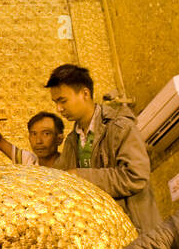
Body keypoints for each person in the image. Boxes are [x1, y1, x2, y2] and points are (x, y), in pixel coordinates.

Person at [46, 64, 163, 233]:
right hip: (105, 234)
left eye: (63, 100)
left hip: (137, 232)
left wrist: (81, 176)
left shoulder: (119, 126)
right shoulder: (72, 141)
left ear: (85, 93)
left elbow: (135, 176)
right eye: (55, 102)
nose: (59, 109)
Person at [0, 108, 64, 167]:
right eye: (34, 134)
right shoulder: (29, 161)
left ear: (59, 139)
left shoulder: (69, 165)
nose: (38, 141)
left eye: (46, 133)